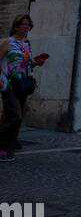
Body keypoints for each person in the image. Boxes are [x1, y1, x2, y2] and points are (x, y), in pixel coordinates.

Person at [0, 14, 49, 160]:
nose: (27, 27)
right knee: (15, 115)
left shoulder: (27, 44)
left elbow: (25, 65)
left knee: (16, 119)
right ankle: (2, 144)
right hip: (8, 84)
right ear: (16, 26)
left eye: (29, 25)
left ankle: (8, 151)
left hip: (23, 85)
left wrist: (36, 62)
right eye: (24, 24)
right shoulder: (7, 42)